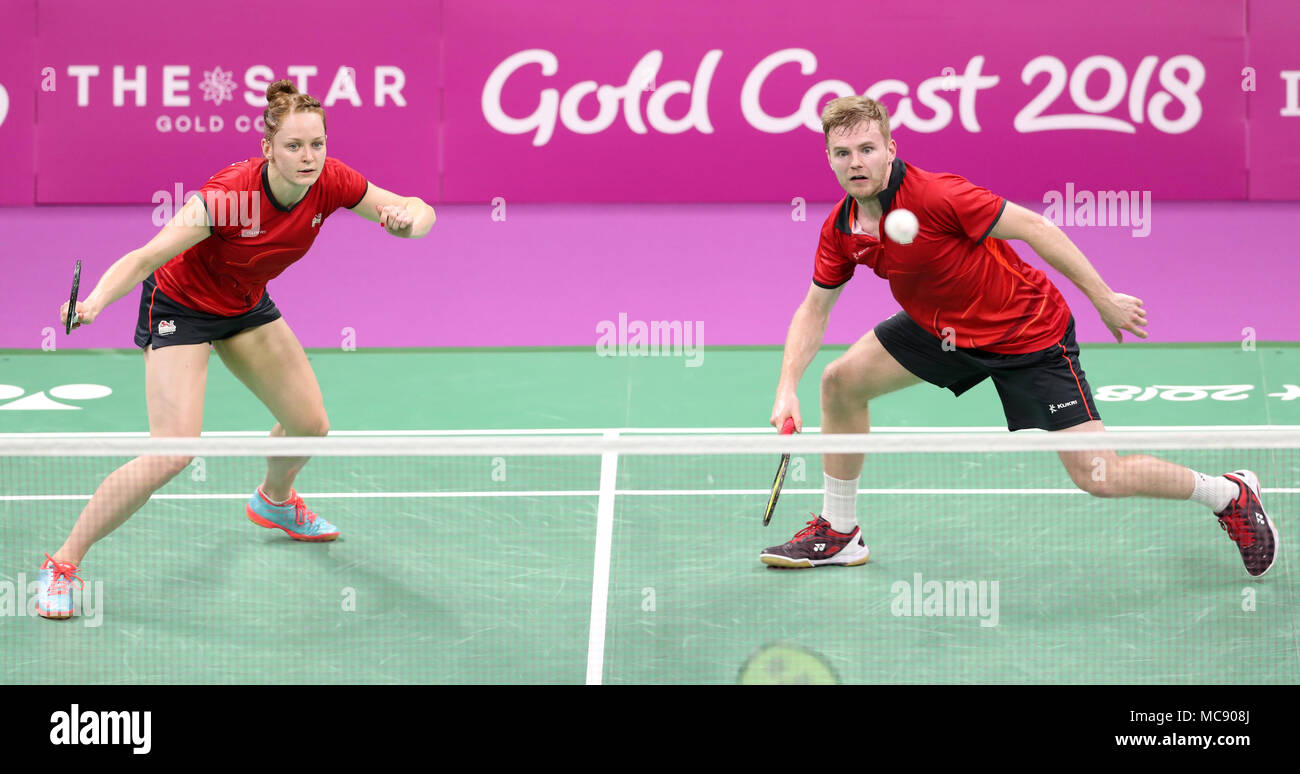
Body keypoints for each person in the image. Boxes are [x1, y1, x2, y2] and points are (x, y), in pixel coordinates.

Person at [762, 95, 1277, 577]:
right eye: (843, 152)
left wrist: (1103, 297)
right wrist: (787, 386)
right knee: (840, 383)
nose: (856, 162)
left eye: (867, 149)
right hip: (942, 330)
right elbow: (814, 308)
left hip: (1026, 334)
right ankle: (841, 530)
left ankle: (1227, 493)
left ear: (890, 149)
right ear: (829, 158)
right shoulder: (841, 228)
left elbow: (1037, 227)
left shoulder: (939, 194)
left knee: (1100, 476)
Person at [37, 80, 437, 619]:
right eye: (294, 146)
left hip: (244, 304)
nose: (308, 156)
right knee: (173, 453)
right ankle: (62, 564)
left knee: (309, 424)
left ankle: (274, 501)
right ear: (267, 148)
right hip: (180, 307)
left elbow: (416, 208)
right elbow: (144, 257)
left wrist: (408, 224)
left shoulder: (333, 182)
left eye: (316, 144)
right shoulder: (229, 196)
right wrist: (91, 305)